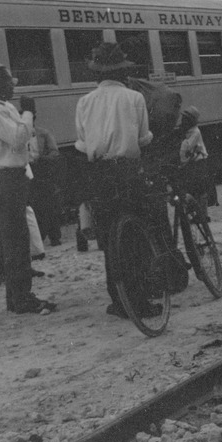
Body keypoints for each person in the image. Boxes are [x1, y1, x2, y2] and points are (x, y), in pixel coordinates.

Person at [73, 42, 161, 319]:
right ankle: (141, 301)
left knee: (109, 238)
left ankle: (118, 301)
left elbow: (81, 143)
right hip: (128, 171)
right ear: (122, 72)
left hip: (98, 173)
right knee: (135, 235)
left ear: (97, 74)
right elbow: (144, 138)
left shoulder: (84, 102)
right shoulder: (134, 98)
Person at [0, 64, 57, 315]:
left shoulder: (2, 108)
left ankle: (16, 297)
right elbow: (19, 138)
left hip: (12, 178)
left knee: (18, 239)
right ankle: (22, 298)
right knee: (16, 240)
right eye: (8, 83)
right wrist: (29, 112)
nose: (12, 87)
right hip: (5, 179)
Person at [26, 102, 65, 247]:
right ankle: (39, 237)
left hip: (42, 171)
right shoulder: (19, 137)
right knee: (35, 206)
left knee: (50, 204)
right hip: (28, 172)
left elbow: (55, 152)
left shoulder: (43, 133)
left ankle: (55, 236)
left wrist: (43, 159)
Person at [177, 105, 213, 222]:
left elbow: (187, 147)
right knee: (195, 189)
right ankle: (199, 214)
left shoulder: (195, 132)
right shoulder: (189, 132)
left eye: (185, 119)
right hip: (193, 162)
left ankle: (204, 215)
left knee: (200, 189)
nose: (183, 121)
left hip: (199, 162)